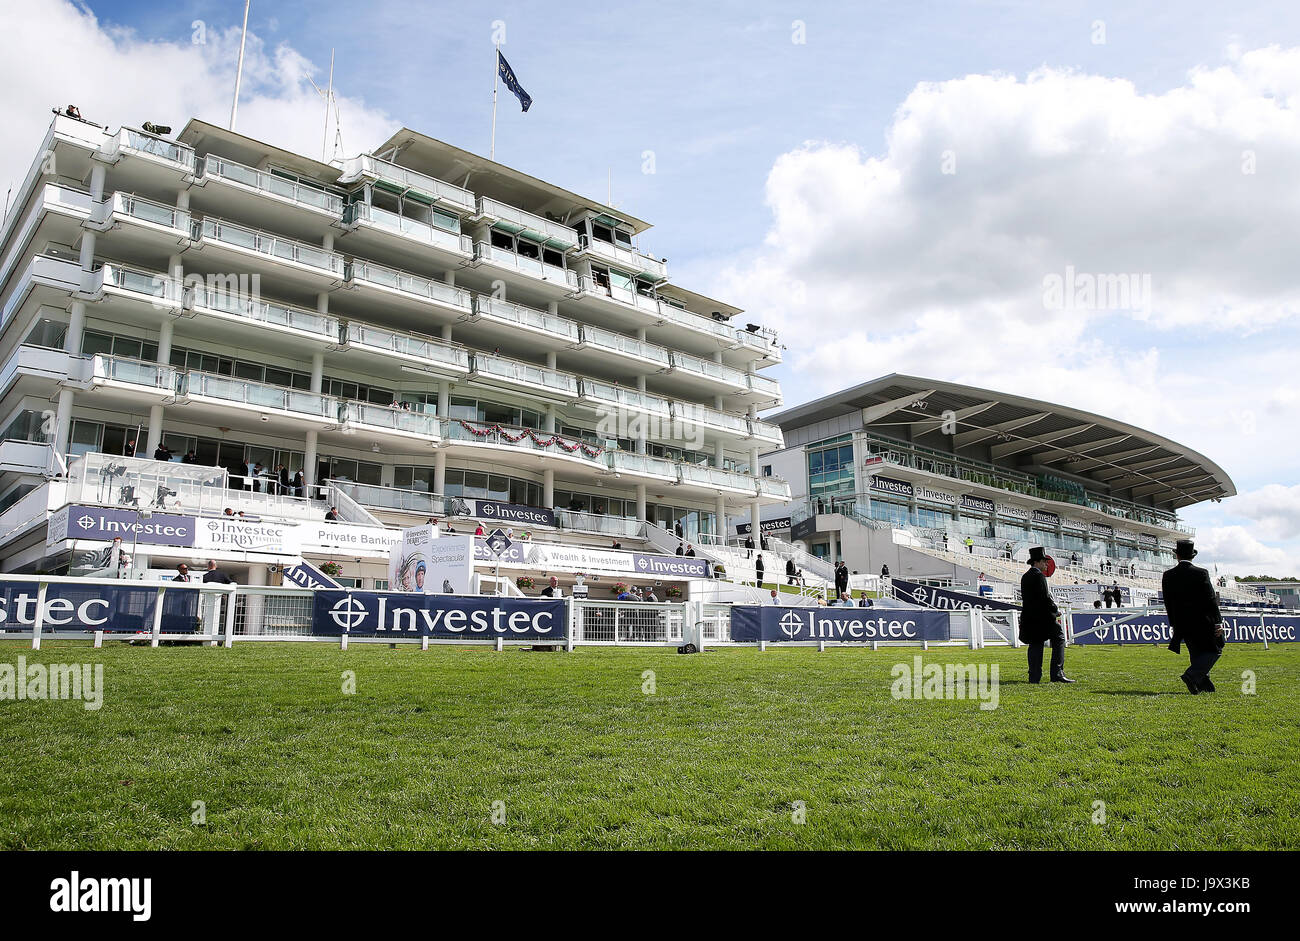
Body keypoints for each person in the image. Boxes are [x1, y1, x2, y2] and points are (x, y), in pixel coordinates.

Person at [1162, 539, 1224, 694]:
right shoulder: (1201, 573)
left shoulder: (1168, 575)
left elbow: (1168, 602)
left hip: (1182, 623)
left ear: (1176, 555)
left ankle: (1202, 683)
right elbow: (1210, 600)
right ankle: (1192, 675)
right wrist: (1218, 622)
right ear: (1192, 556)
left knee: (1196, 652)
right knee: (1215, 649)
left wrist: (1174, 623)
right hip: (1203, 621)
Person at [1018, 547, 1072, 683]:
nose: (1046, 564)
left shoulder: (1025, 576)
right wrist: (1055, 611)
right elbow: (1045, 598)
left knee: (1035, 644)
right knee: (1059, 638)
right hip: (1043, 618)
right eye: (1044, 561)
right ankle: (1057, 673)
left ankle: (1034, 676)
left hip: (1030, 617)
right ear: (1037, 562)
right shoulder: (1039, 576)